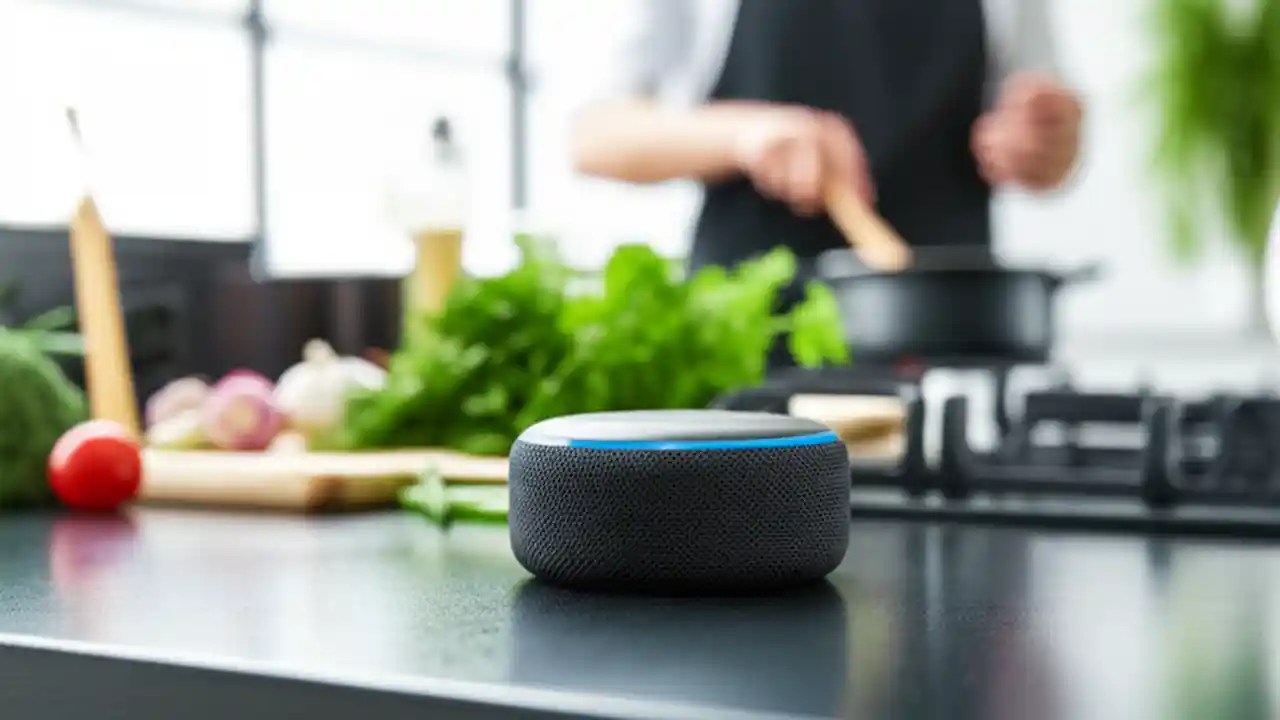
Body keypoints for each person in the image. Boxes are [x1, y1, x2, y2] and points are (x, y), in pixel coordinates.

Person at [570, 0, 1084, 280]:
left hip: (939, 346)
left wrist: (1041, 141)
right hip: (752, 353)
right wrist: (746, 134)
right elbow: (595, 135)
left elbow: (1055, 140)